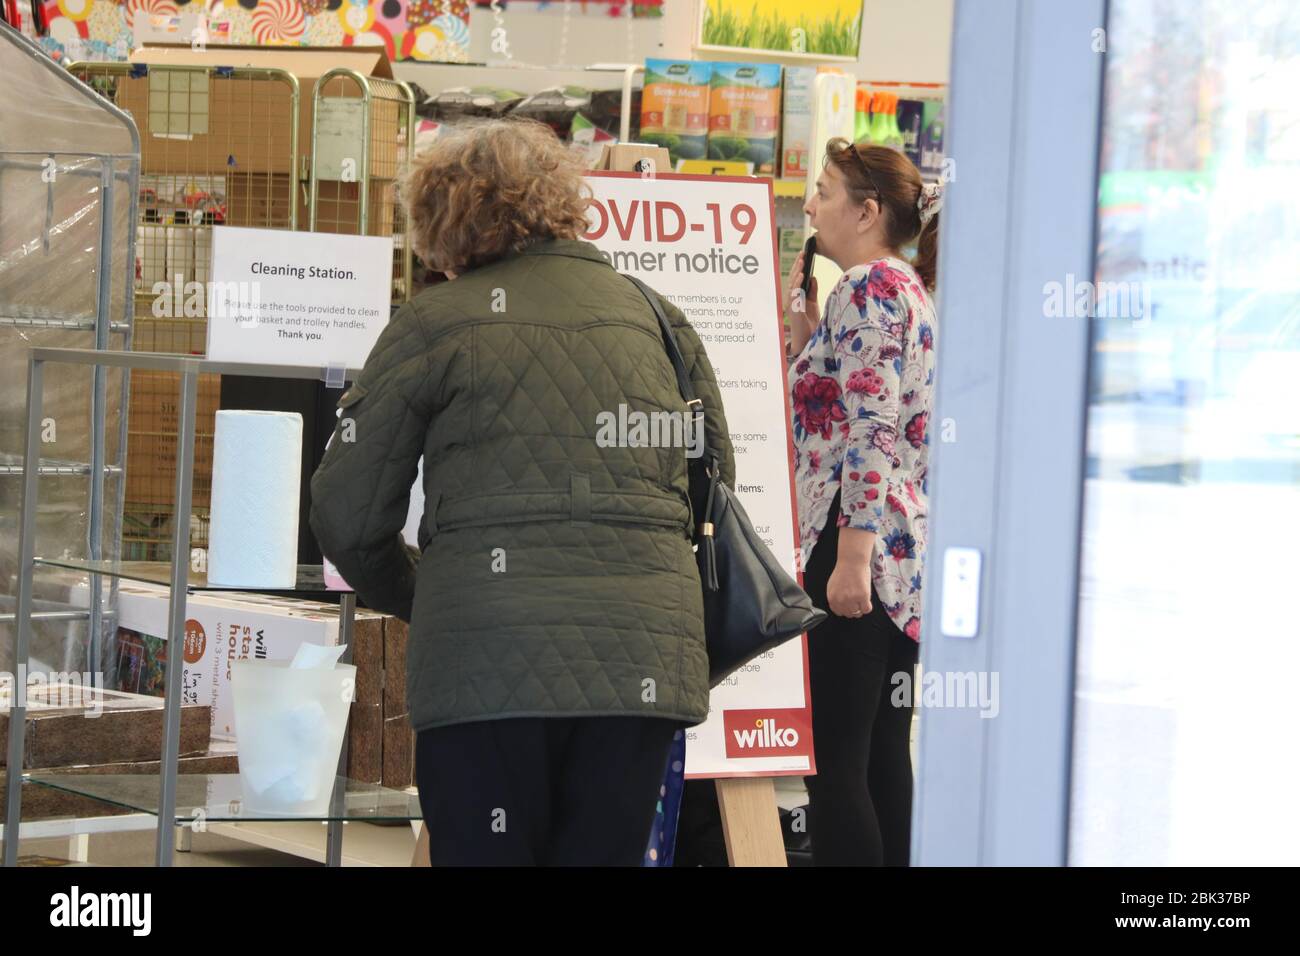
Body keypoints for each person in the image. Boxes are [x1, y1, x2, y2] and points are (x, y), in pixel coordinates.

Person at [309, 119, 735, 866]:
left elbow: (347, 513)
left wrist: (428, 593)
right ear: (562, 202)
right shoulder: (657, 318)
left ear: (444, 219)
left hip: (485, 663)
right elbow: (713, 488)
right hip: (638, 665)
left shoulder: (433, 323)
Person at [786, 139, 941, 866]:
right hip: (904, 555)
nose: (812, 206)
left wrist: (850, 558)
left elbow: (872, 428)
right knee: (882, 753)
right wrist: (809, 343)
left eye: (823, 192)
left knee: (835, 762)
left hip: (859, 549)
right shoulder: (905, 287)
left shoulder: (866, 288)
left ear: (867, 210)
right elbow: (872, 406)